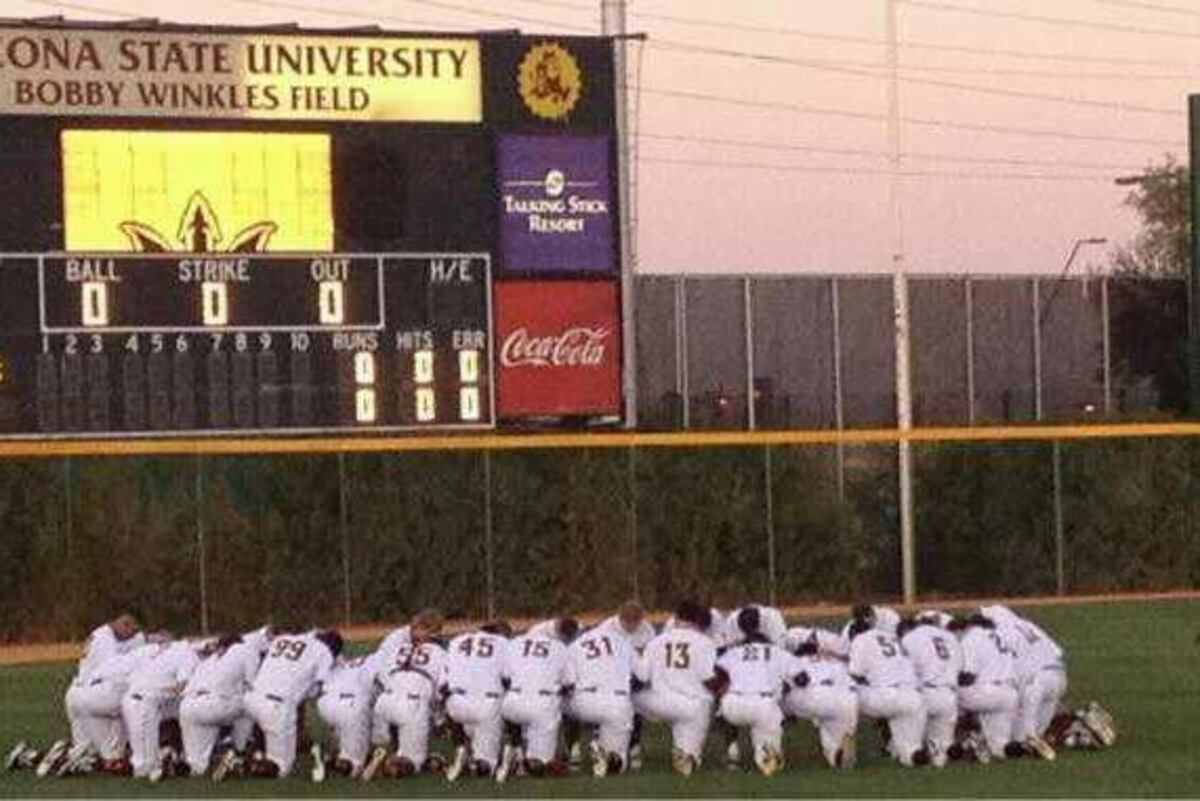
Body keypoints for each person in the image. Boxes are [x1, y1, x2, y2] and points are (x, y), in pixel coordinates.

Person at [44, 613, 145, 776]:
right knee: (127, 706)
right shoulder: (104, 639)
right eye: (131, 629)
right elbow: (115, 670)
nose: (133, 634)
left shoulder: (102, 634)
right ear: (124, 623)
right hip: (92, 692)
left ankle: (68, 756)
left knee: (86, 751)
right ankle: (116, 757)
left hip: (77, 691)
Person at [635, 601, 723, 776]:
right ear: (699, 620)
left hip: (658, 703)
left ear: (675, 618)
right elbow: (709, 680)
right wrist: (724, 692)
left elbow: (642, 678)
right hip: (694, 707)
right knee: (687, 765)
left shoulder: (655, 642)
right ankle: (686, 755)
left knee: (622, 697)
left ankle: (616, 747)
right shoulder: (706, 642)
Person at [714, 607, 803, 775]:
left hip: (733, 706)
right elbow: (802, 679)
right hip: (764, 706)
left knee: (723, 706)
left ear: (739, 627)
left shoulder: (733, 652)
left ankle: (732, 754)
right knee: (769, 756)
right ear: (761, 624)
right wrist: (783, 687)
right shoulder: (776, 651)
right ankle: (765, 755)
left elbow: (717, 673)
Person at [242, 629, 340, 778]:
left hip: (251, 699)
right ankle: (243, 764)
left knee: (269, 723)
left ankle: (255, 752)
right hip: (276, 707)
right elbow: (320, 689)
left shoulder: (283, 639)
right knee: (282, 768)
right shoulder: (324, 651)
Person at [180, 628, 270, 778]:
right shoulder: (245, 650)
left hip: (188, 706)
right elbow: (254, 684)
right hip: (217, 705)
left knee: (197, 758)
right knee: (249, 705)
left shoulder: (207, 662)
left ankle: (193, 765)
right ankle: (238, 750)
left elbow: (186, 690)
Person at [980, 605, 1066, 759]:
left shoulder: (1000, 631)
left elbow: (1000, 662)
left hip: (1034, 683)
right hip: (1059, 676)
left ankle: (1038, 736)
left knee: (1024, 738)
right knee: (1028, 739)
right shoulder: (1028, 625)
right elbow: (1057, 652)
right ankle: (1072, 729)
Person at [365, 623, 449, 779]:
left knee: (397, 716)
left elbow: (379, 677)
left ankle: (387, 751)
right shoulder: (442, 654)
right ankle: (390, 764)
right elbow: (443, 689)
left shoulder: (400, 648)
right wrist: (440, 720)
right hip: (411, 704)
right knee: (415, 762)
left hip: (384, 701)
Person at [496, 623, 576, 781]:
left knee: (515, 715)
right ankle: (524, 760)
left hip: (512, 702)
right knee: (539, 765)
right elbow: (570, 683)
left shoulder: (515, 643)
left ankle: (515, 748)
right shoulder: (559, 647)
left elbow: (504, 678)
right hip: (542, 705)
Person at [847, 618, 928, 766]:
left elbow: (854, 674)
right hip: (914, 697)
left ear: (853, 634)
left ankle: (844, 743)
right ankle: (913, 756)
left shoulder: (860, 639)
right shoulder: (891, 637)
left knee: (846, 693)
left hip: (886, 697)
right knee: (909, 753)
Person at [121, 637, 203, 780]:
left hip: (134, 699)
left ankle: (164, 755)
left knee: (143, 753)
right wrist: (169, 690)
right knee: (145, 763)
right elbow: (181, 684)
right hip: (144, 702)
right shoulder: (187, 654)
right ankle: (163, 760)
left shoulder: (160, 651)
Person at [565, 621, 639, 777]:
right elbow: (642, 676)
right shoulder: (623, 643)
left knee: (558, 702)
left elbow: (568, 682)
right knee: (617, 766)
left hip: (585, 701)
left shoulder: (574, 646)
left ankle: (574, 749)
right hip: (618, 704)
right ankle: (604, 751)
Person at [442, 621, 511, 781]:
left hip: (456, 704)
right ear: (500, 634)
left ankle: (460, 747)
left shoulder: (456, 641)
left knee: (465, 718)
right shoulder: (503, 643)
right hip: (487, 705)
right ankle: (478, 764)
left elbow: (443, 685)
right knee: (486, 765)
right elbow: (508, 677)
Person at [781, 634, 858, 769]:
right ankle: (837, 752)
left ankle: (835, 753)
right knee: (831, 727)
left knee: (780, 698)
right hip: (844, 700)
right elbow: (851, 686)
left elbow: (786, 686)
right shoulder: (835, 663)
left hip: (811, 698)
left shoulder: (794, 661)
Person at [954, 614, 1021, 760]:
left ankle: (968, 738)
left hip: (985, 693)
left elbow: (968, 677)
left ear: (969, 626)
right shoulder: (1002, 637)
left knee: (944, 695)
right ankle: (1003, 748)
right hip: (1010, 695)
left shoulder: (971, 637)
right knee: (999, 748)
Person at [898, 615, 962, 767]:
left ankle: (914, 758)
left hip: (924, 693)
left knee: (912, 739)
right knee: (943, 744)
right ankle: (940, 760)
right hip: (948, 694)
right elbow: (959, 667)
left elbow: (904, 669)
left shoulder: (911, 637)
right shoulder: (950, 637)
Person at [312, 651, 381, 780]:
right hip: (352, 706)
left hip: (325, 704)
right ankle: (334, 760)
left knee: (344, 726)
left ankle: (334, 750)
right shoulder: (383, 660)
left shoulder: (352, 662)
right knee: (353, 767)